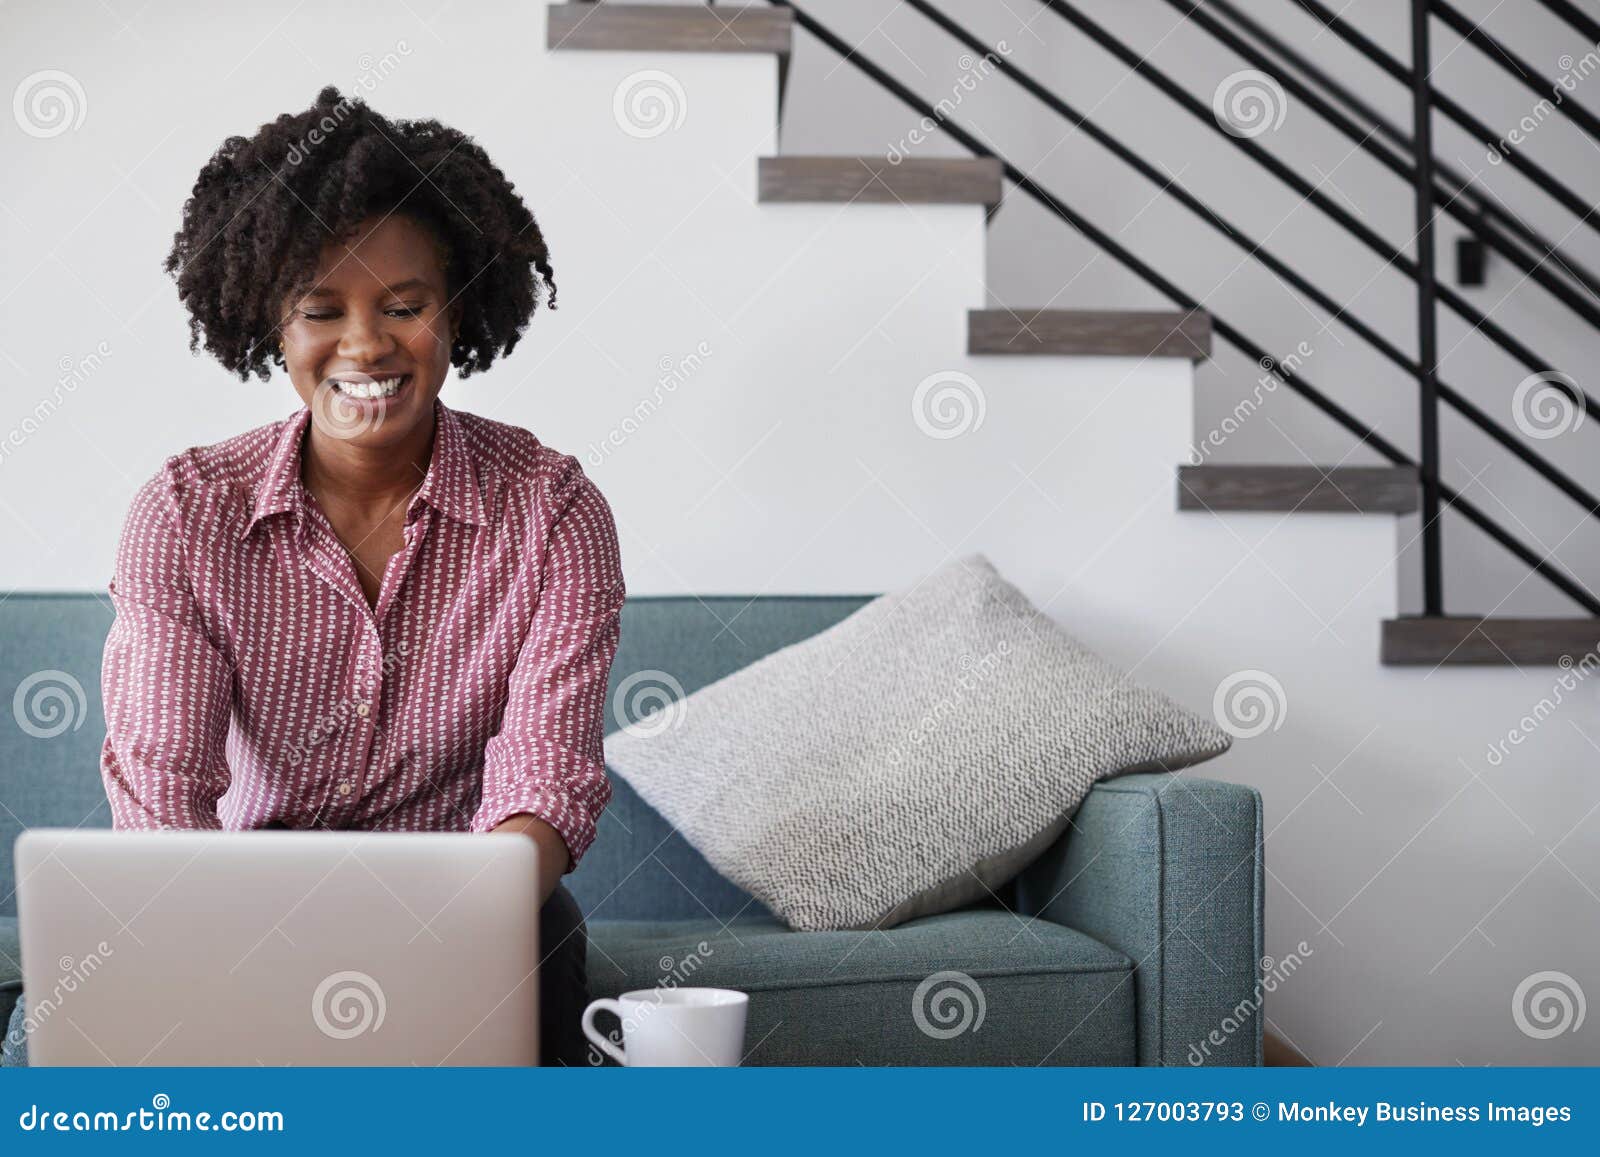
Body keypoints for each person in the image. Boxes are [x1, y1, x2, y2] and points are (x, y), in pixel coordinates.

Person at [2, 85, 623, 1067]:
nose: (366, 344)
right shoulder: (187, 512)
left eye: (404, 306)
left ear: (455, 312)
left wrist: (455, 923)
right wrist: (208, 945)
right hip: (237, 901)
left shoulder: (553, 512)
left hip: (470, 902)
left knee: (541, 938)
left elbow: (544, 775)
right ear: (271, 326)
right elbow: (166, 788)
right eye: (320, 310)